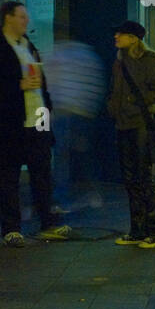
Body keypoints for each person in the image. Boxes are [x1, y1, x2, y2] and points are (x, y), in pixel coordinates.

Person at [0, 1, 71, 248]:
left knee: (42, 171)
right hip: (10, 121)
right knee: (10, 174)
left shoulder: (28, 46)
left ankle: (47, 222)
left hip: (37, 116)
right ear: (8, 18)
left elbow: (40, 82)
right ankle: (11, 228)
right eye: (22, 17)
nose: (26, 21)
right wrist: (16, 86)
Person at [107, 20, 155, 248]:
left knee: (144, 178)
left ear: (134, 38)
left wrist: (132, 104)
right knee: (130, 179)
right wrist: (113, 106)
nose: (116, 38)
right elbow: (114, 90)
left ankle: (154, 232)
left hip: (140, 123)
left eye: (120, 35)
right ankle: (137, 230)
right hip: (122, 124)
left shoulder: (147, 60)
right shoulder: (119, 61)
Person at [41, 39, 106, 210]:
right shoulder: (89, 57)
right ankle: (91, 191)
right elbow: (96, 86)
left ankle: (60, 196)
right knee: (82, 154)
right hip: (83, 113)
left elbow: (49, 84)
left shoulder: (57, 55)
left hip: (63, 112)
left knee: (61, 155)